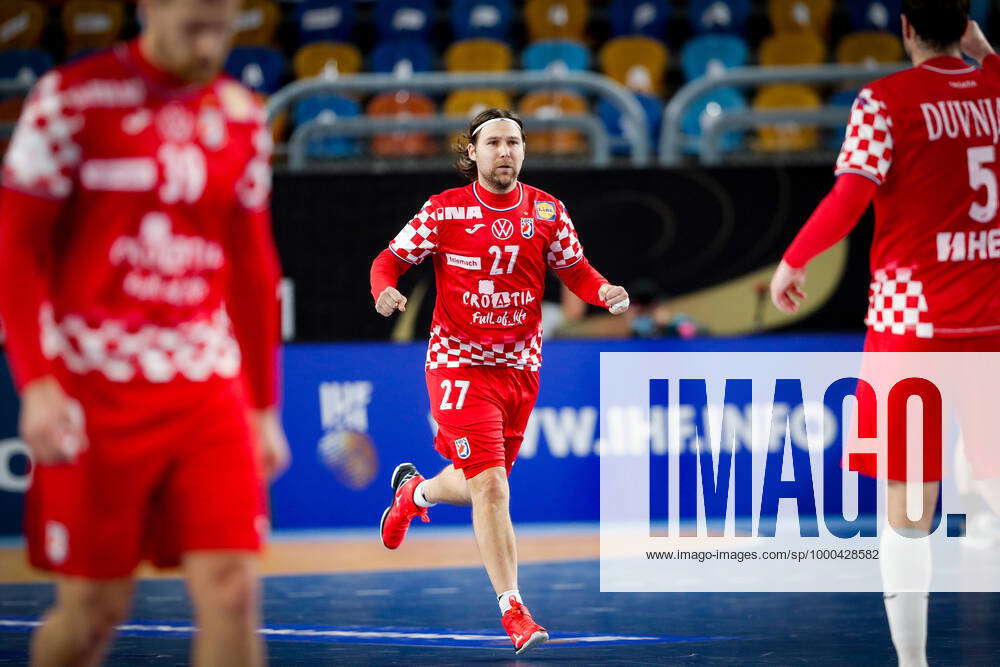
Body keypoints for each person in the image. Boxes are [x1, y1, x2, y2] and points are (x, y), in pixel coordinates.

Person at [0, 0, 289, 664]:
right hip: (93, 391)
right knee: (95, 610)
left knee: (233, 586)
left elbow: (251, 266)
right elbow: (16, 250)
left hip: (206, 383)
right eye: (197, 23)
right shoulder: (70, 101)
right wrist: (36, 384)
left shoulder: (243, 116)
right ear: (150, 6)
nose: (212, 39)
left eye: (224, 24)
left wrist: (262, 406)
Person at [770, 4, 1000, 666]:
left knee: (907, 499)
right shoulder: (993, 87)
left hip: (912, 325)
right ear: (965, 24)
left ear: (904, 27)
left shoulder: (884, 100)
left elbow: (851, 194)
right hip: (989, 319)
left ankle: (913, 661)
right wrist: (984, 52)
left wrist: (795, 259)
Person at [369, 108, 629, 654]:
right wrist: (384, 291)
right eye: (494, 143)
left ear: (524, 151)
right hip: (458, 364)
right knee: (490, 484)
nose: (504, 151)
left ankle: (414, 492)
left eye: (514, 142)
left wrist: (602, 290)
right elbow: (386, 262)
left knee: (483, 483)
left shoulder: (548, 211)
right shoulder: (444, 212)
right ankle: (513, 610)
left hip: (520, 368)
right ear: (473, 154)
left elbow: (575, 270)